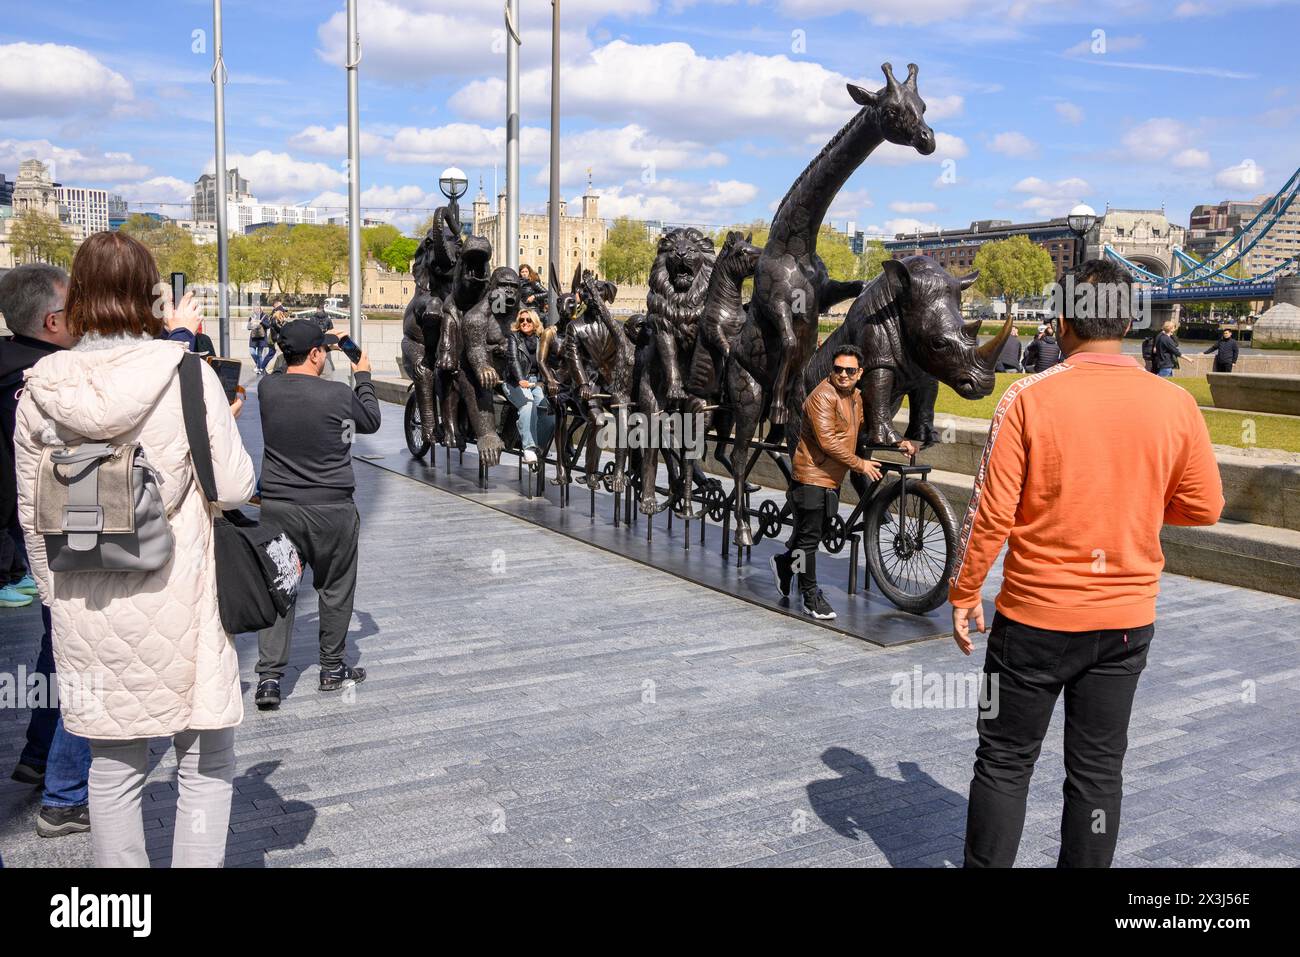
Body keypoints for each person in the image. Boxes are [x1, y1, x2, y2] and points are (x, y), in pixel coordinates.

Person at [948, 258, 1223, 868]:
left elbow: (990, 513)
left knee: (1003, 764)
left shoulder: (1028, 397)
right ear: (1127, 322)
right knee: (1098, 772)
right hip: (1124, 624)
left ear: (1065, 319)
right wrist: (1135, 507)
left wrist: (965, 591)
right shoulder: (1175, 403)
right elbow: (1205, 507)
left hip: (1033, 621)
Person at [13, 231, 256, 866]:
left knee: (113, 769)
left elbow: (32, 521)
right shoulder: (184, 372)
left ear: (82, 297)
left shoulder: (40, 387)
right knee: (205, 762)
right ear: (151, 295)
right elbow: (233, 487)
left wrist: (56, 597)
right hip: (182, 593)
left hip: (85, 602)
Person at [0, 264, 100, 838]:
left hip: (24, 535)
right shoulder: (45, 381)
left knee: (55, 646)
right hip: (52, 534)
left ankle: (39, 753)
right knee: (78, 653)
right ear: (54, 321)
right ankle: (66, 793)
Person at [253, 319, 381, 710]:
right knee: (336, 587)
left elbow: (280, 366)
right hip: (332, 509)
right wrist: (362, 373)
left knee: (278, 588)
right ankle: (331, 668)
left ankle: (270, 680)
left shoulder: (267, 389)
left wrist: (291, 344)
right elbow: (371, 420)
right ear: (314, 354)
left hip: (279, 508)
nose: (326, 355)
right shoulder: (339, 395)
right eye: (322, 349)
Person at [769, 345, 917, 621]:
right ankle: (810, 595)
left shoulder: (856, 398)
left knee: (814, 535)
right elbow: (828, 441)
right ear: (832, 371)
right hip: (811, 476)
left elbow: (867, 430)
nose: (844, 374)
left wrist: (897, 441)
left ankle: (783, 565)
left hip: (831, 478)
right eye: (838, 369)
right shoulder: (822, 397)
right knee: (809, 540)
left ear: (860, 373)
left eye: (850, 370)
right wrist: (860, 464)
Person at [504, 309, 556, 464]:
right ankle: (528, 448)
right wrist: (520, 379)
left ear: (535, 323)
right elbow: (513, 360)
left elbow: (548, 362)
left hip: (535, 382)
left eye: (528, 320)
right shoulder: (514, 337)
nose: (524, 323)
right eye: (521, 320)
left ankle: (537, 447)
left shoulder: (541, 340)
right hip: (514, 382)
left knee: (549, 413)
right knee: (528, 405)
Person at [247, 305, 275, 374]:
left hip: (261, 338)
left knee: (259, 354)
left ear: (260, 309)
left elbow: (268, 326)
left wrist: (261, 322)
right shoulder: (252, 316)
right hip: (253, 338)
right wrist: (252, 324)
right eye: (255, 309)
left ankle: (259, 368)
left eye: (257, 309)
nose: (256, 310)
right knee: (252, 352)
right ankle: (259, 365)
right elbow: (248, 327)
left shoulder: (265, 316)